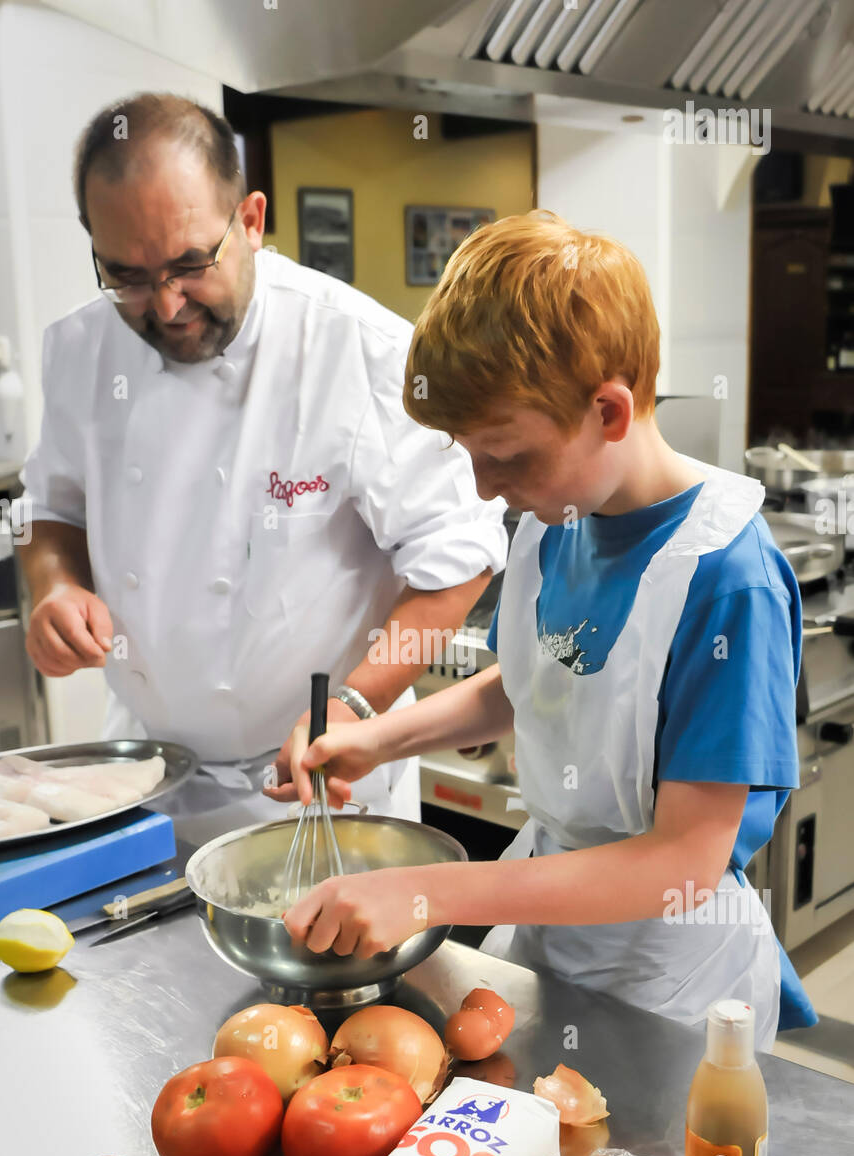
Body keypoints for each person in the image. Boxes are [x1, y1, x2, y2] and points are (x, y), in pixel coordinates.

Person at [279, 212, 807, 1053]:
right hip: (548, 935)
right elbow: (532, 681)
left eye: (506, 455)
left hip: (666, 980)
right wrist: (376, 737)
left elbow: (681, 863)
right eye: (469, 457)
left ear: (608, 410)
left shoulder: (723, 578)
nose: (486, 489)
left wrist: (427, 894)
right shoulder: (561, 516)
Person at [17, 94, 506, 843]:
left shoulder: (361, 352)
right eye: (129, 277)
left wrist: (359, 708)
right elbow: (52, 508)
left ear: (250, 219)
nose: (168, 305)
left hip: (325, 784)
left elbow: (459, 559)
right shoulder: (80, 351)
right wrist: (56, 587)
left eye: (189, 264)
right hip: (144, 777)